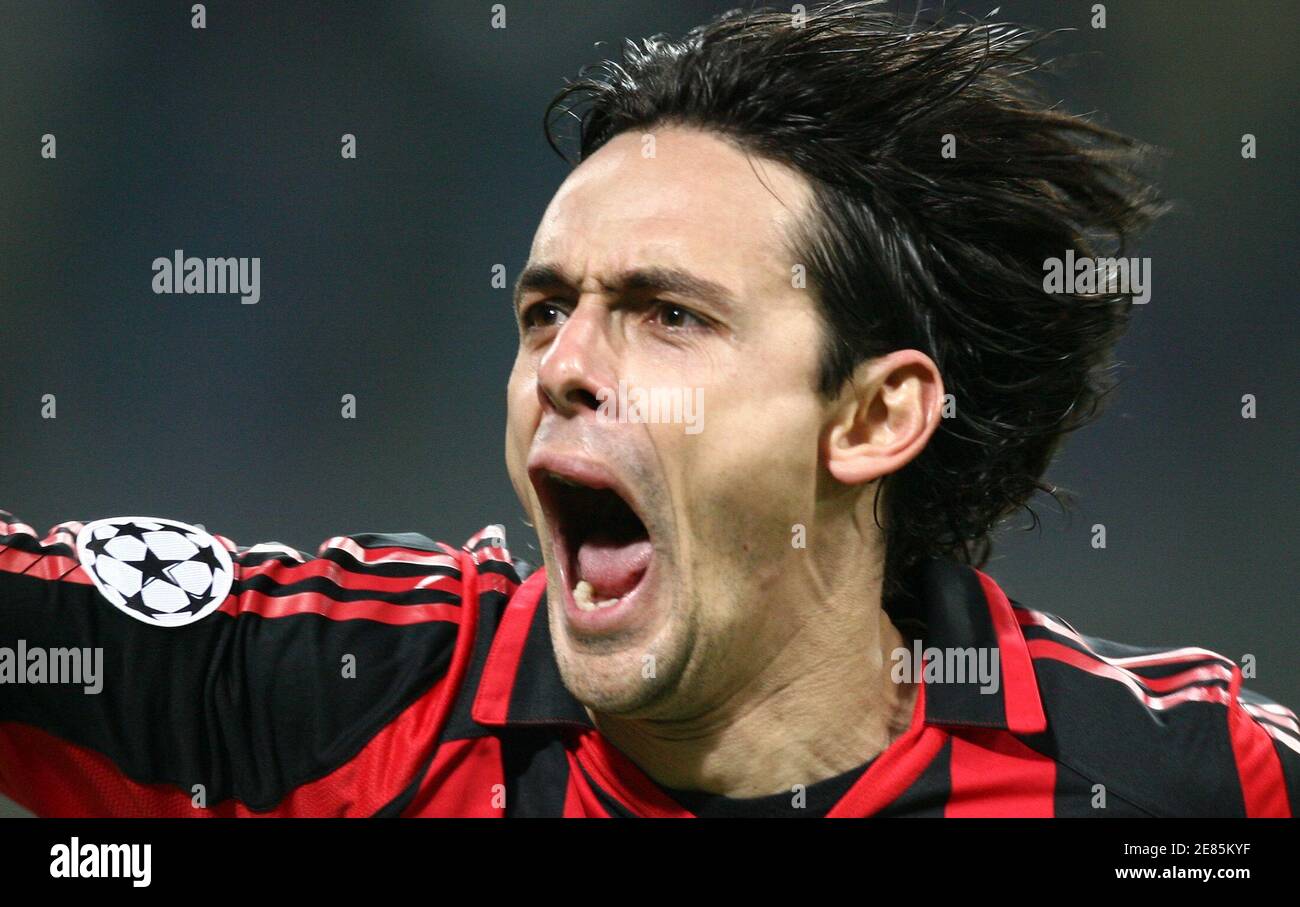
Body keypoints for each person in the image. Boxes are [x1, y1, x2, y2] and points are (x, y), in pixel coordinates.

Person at [1, 2, 1295, 817]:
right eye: (545, 310)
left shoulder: (1193, 784)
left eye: (669, 314)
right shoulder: (347, 701)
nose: (564, 364)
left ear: (871, 419)